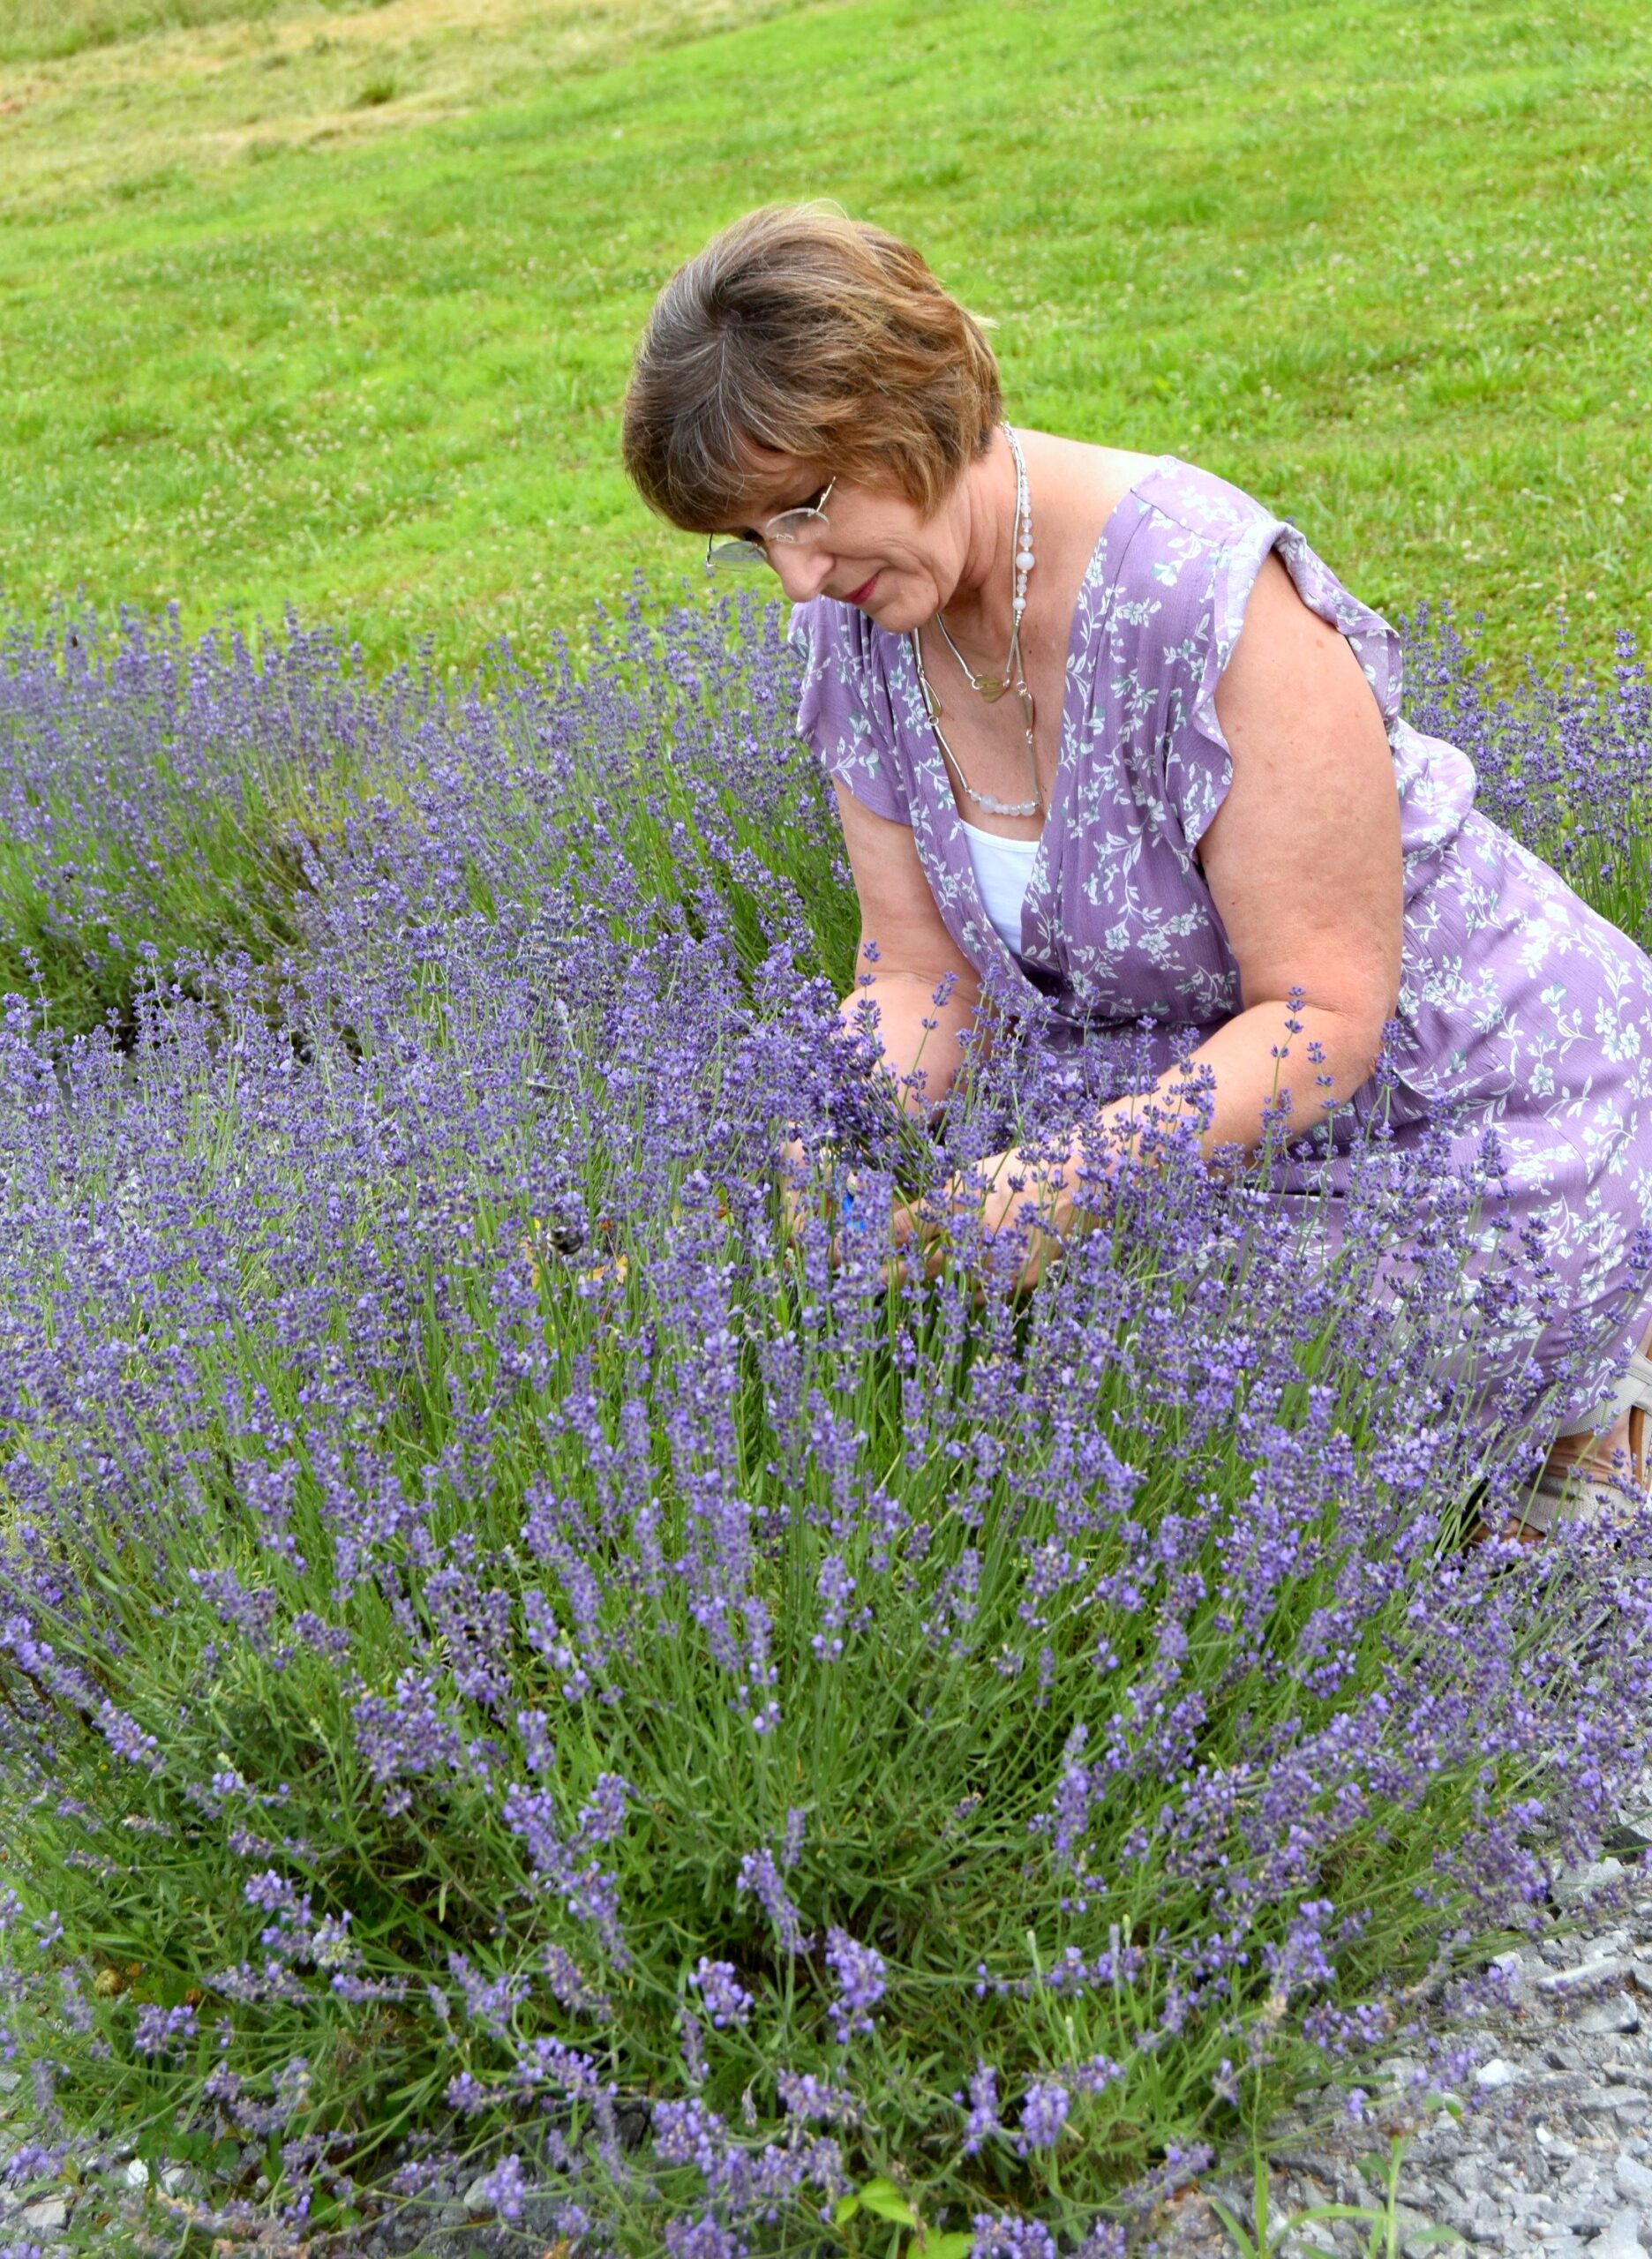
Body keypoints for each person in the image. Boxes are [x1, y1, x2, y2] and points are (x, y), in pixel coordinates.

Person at [620, 201, 1652, 1542]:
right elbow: (921, 975)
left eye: (806, 511)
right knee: (989, 1364)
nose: (795, 579)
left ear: (911, 408)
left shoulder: (1202, 602)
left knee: (1162, 1409)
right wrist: (823, 1160)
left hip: (1461, 1113)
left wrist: (1052, 1189)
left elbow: (1326, 1018)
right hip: (1187, 1114)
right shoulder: (864, 623)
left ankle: (1598, 1404)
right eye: (753, 538)